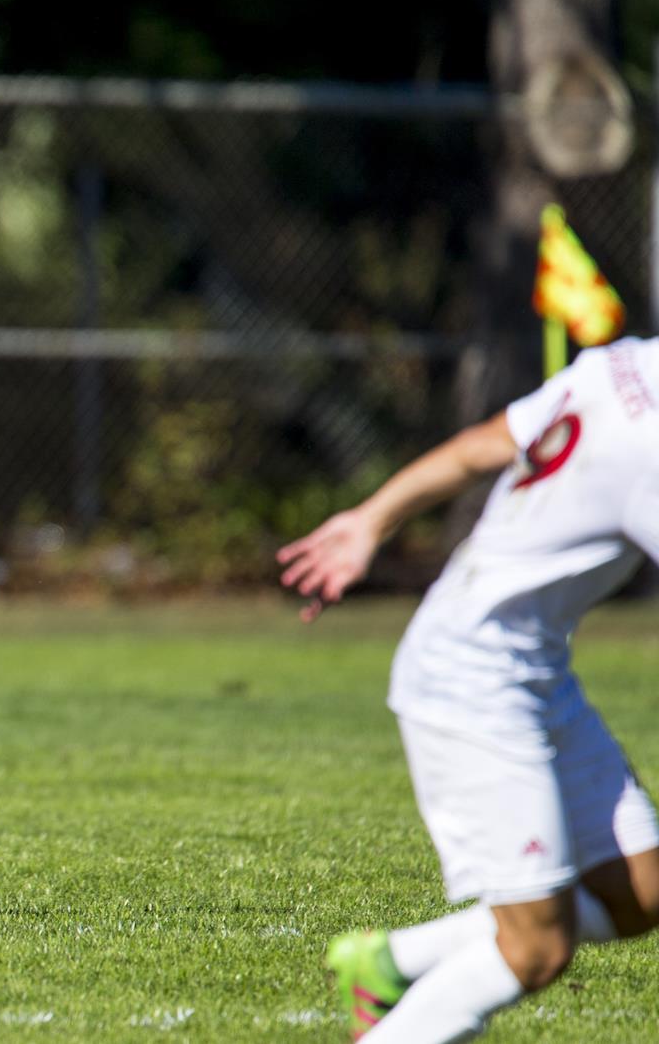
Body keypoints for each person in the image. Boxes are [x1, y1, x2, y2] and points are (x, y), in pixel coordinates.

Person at [277, 335, 659, 1041]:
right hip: (470, 679)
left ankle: (388, 963)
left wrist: (371, 518)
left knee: (639, 890)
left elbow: (483, 444)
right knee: (536, 948)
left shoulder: (621, 365)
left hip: (533, 670)